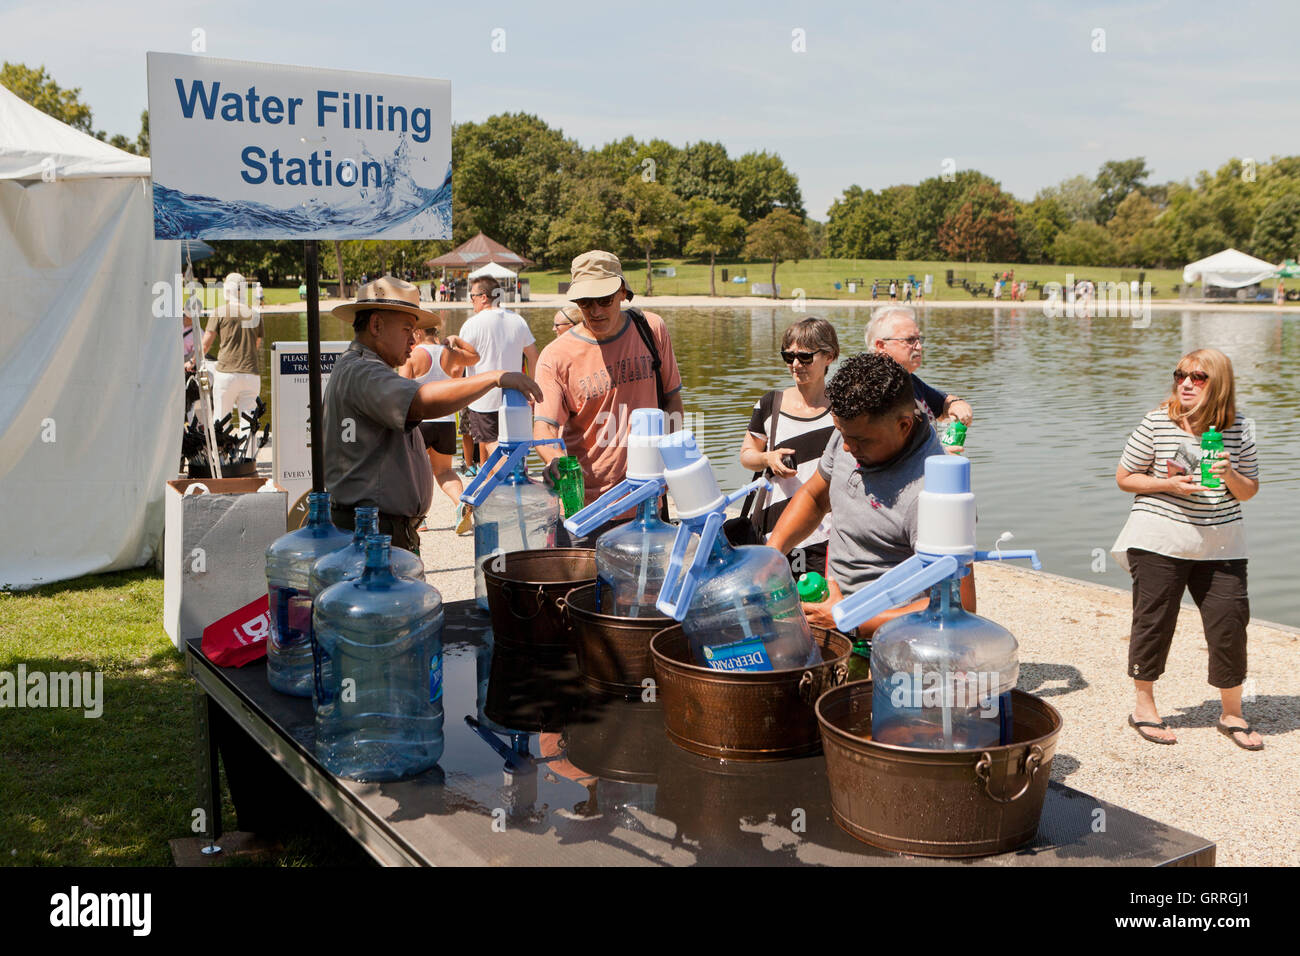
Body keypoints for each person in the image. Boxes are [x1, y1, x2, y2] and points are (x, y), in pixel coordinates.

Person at [323, 276, 541, 555]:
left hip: (380, 529)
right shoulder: (363, 371)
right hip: (373, 534)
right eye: (406, 330)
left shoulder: (362, 367)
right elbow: (420, 402)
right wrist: (496, 378)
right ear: (376, 325)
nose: (412, 341)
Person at [1111, 349, 1261, 749]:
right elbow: (1125, 477)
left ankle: (1232, 713)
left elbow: (1249, 491)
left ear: (1219, 384)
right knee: (1154, 621)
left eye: (1198, 377)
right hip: (1160, 538)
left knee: (1230, 624)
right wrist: (1168, 485)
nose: (1186, 383)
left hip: (1222, 542)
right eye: (1181, 375)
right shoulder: (1158, 421)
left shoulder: (1240, 428)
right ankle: (1144, 707)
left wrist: (1229, 473)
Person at [766, 352, 974, 635]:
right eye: (842, 432)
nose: (848, 448)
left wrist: (851, 620)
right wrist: (772, 554)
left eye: (860, 440)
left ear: (904, 426)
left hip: (895, 645)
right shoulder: (853, 429)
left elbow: (958, 608)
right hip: (834, 620)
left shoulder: (934, 496)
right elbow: (816, 497)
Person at [533, 250, 685, 534]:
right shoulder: (555, 356)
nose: (595, 311)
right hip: (586, 507)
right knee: (589, 579)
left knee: (651, 579)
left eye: (604, 300)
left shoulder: (651, 329)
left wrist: (673, 457)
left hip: (649, 499)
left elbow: (672, 398)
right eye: (585, 302)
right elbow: (544, 426)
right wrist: (553, 457)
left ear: (623, 292)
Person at [738, 317, 840, 576]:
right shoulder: (770, 404)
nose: (795, 365)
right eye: (788, 356)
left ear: (829, 356)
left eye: (805, 357)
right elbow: (747, 455)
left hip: (825, 538)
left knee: (817, 613)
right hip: (774, 533)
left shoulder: (842, 412)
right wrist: (768, 459)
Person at [399, 325, 480, 534]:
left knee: (413, 471)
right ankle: (461, 503)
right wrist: (457, 339)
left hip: (419, 421)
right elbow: (475, 357)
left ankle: (419, 519)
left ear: (418, 333)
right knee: (445, 471)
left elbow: (400, 390)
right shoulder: (450, 354)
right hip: (446, 421)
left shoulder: (411, 356)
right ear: (436, 333)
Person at [458, 275, 538, 463]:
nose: (471, 302)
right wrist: (531, 388)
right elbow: (534, 356)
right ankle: (512, 476)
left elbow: (460, 363)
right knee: (514, 443)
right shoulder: (518, 320)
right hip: (514, 397)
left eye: (473, 297)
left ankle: (490, 482)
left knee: (486, 443)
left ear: (484, 297)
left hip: (481, 397)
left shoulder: (472, 324)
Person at [864, 305, 973, 429]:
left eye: (919, 339)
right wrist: (942, 449)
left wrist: (956, 405)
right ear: (881, 345)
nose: (919, 347)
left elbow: (943, 402)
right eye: (910, 340)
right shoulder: (872, 389)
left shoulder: (907, 379)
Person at [201, 273, 264, 437]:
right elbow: (256, 344)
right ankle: (248, 457)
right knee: (249, 420)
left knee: (221, 418)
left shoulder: (220, 312)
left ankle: (222, 459)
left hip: (226, 373)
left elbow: (206, 344)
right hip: (251, 374)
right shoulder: (255, 314)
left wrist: (193, 361)